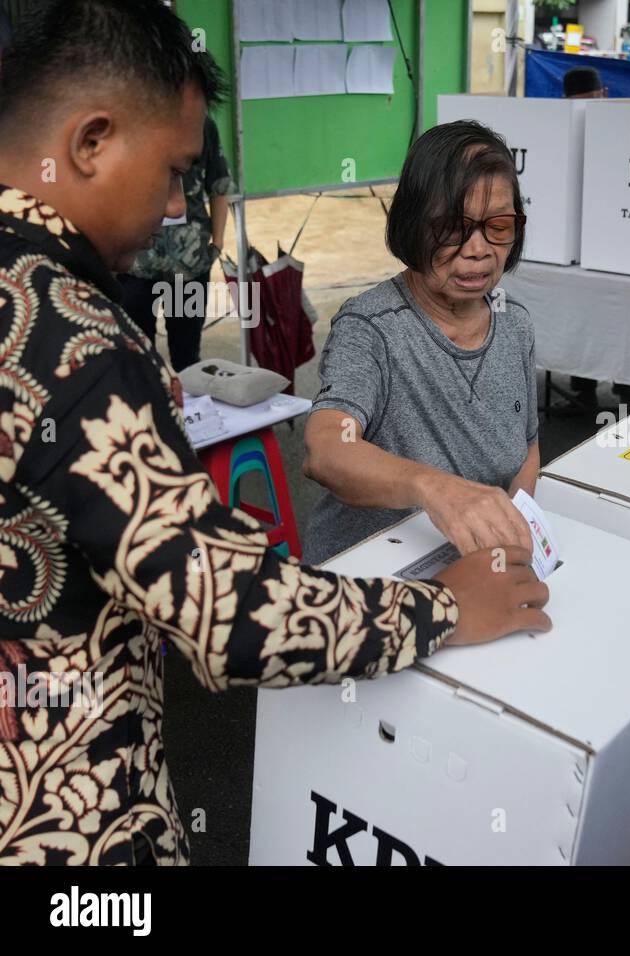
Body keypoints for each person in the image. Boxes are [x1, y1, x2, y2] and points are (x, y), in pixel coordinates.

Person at [0, 0, 548, 866]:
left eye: (500, 227)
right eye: (177, 170)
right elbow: (233, 614)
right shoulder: (72, 337)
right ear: (91, 142)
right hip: (66, 819)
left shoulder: (515, 326)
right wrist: (446, 606)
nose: (182, 203)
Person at [302, 121, 540, 565]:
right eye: (452, 228)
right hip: (371, 574)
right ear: (413, 224)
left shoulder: (515, 325)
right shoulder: (371, 328)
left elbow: (527, 447)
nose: (478, 249)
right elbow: (327, 446)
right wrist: (433, 487)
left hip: (474, 567)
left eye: (499, 226)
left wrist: (511, 532)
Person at [116, 112, 230, 371]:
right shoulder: (127, 120)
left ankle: (189, 412)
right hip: (137, 265)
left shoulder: (201, 124)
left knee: (187, 357)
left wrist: (218, 242)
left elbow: (219, 184)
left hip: (188, 265)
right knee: (138, 357)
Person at [561, 65, 630, 411]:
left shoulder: (628, 128)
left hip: (621, 238)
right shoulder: (562, 131)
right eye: (579, 105)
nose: (587, 111)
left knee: (625, 318)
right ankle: (583, 388)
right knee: (581, 315)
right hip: (578, 240)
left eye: (591, 101)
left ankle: (627, 392)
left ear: (604, 95)